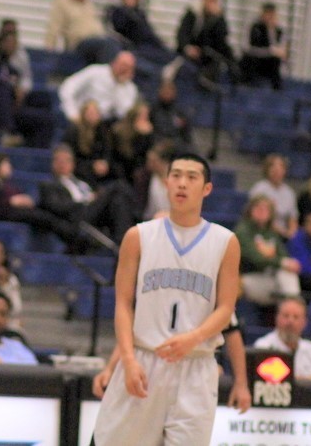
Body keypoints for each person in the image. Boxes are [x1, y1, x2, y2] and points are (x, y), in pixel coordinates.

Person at [91, 153, 239, 446]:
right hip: (144, 361)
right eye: (176, 176)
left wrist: (194, 337)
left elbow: (226, 309)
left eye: (192, 177)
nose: (182, 184)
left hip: (196, 366)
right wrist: (128, 360)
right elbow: (122, 304)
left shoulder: (225, 242)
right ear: (166, 182)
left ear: (206, 189)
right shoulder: (138, 236)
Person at [92, 314, 252, 414]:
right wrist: (111, 368)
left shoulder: (210, 278)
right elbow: (132, 328)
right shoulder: (151, 275)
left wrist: (241, 383)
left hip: (191, 376)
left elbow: (232, 332)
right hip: (147, 373)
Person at [0, 152, 81, 246]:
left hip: (19, 212)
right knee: (42, 216)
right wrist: (10, 202)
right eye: (6, 164)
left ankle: (70, 230)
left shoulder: (7, 186)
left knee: (45, 208)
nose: (9, 167)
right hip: (4, 214)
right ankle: (70, 234)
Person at [0, 20, 52, 147]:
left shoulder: (15, 63)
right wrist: (12, 87)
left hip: (10, 105)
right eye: (7, 43)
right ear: (0, 42)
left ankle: (35, 150)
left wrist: (22, 91)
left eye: (13, 43)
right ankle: (7, 132)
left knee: (44, 103)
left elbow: (26, 78)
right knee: (2, 90)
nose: (11, 46)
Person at [37, 144, 137, 247]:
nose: (63, 164)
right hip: (78, 215)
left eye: (67, 160)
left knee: (119, 201)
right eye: (59, 161)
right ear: (53, 163)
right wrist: (86, 201)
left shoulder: (82, 181)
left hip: (96, 213)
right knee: (118, 186)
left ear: (73, 164)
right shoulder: (48, 185)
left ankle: (122, 243)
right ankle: (135, 225)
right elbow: (56, 206)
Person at [253, 297, 311, 381]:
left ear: (304, 323)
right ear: (277, 318)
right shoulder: (264, 346)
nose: (290, 321)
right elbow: (278, 379)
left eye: (296, 317)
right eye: (286, 316)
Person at [233, 194, 301, 306]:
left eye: (266, 209)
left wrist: (285, 262)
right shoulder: (243, 231)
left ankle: (291, 310)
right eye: (258, 208)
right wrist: (280, 262)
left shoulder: (271, 233)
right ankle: (294, 308)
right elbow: (256, 259)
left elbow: (284, 255)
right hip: (246, 279)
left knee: (288, 275)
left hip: (270, 278)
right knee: (286, 276)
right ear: (250, 210)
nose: (262, 211)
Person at [43, 0, 120, 68]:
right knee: (107, 45)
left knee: (116, 43)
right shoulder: (62, 2)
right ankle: (109, 75)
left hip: (97, 41)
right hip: (79, 44)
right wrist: (48, 52)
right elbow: (54, 27)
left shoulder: (88, 4)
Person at [168, 0, 236, 86]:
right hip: (191, 51)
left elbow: (222, 39)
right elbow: (182, 34)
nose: (211, 2)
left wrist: (219, 19)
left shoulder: (218, 18)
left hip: (208, 53)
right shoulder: (193, 13)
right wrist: (188, 48)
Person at [58, 51, 139, 124]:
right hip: (81, 117)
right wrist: (72, 113)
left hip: (105, 125)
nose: (124, 69)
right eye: (123, 65)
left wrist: (119, 86)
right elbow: (68, 87)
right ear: (114, 62)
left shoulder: (130, 88)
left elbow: (123, 113)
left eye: (129, 67)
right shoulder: (95, 71)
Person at [106, 0, 174, 65]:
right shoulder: (118, 11)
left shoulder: (140, 12)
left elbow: (148, 31)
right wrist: (128, 9)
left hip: (150, 43)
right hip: (136, 46)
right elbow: (119, 27)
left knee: (170, 54)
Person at [60, 100, 116, 187]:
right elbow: (70, 155)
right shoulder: (74, 131)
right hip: (80, 167)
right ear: (83, 114)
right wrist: (92, 165)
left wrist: (105, 162)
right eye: (90, 113)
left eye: (95, 113)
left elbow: (107, 150)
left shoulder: (102, 130)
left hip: (99, 168)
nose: (92, 116)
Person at [248, 154, 298, 239]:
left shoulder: (289, 193)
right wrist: (282, 231)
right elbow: (256, 215)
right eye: (274, 168)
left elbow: (293, 218)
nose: (277, 171)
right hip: (263, 230)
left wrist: (291, 233)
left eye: (280, 168)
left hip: (284, 234)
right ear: (267, 170)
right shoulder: (259, 189)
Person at [238, 2, 286, 90]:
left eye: (272, 14)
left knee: (276, 60)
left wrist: (271, 31)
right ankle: (245, 84)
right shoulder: (253, 26)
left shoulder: (279, 30)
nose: (269, 17)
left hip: (268, 62)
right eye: (267, 13)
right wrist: (268, 51)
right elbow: (246, 48)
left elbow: (279, 51)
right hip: (254, 59)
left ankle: (276, 89)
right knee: (247, 59)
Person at [149, 78, 193, 152]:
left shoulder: (180, 111)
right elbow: (149, 130)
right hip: (158, 142)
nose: (167, 94)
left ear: (174, 93)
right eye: (165, 91)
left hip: (177, 144)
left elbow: (186, 134)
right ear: (159, 92)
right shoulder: (152, 110)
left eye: (170, 91)